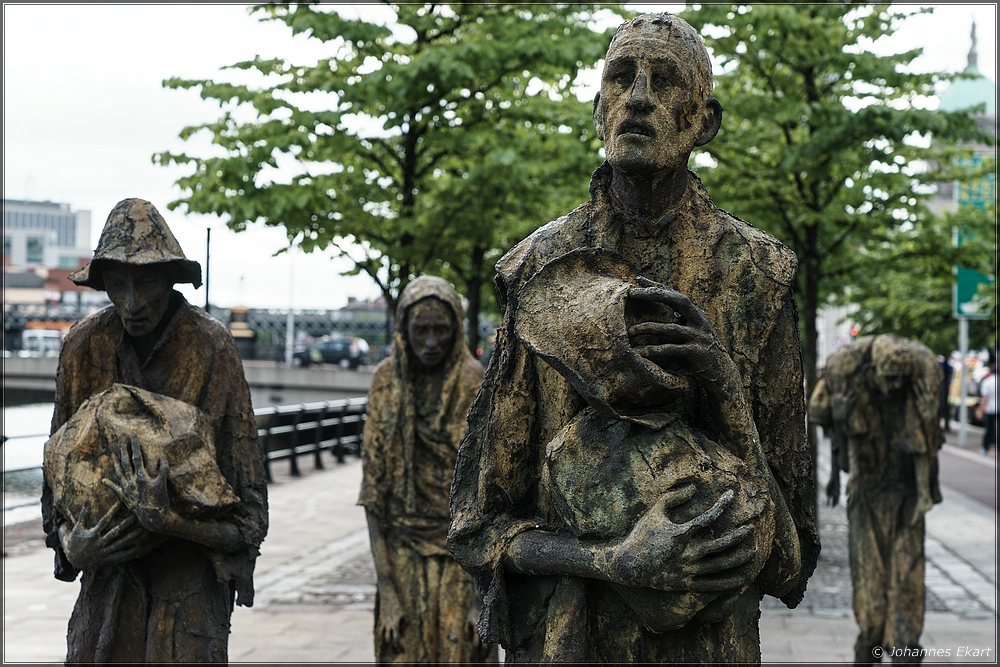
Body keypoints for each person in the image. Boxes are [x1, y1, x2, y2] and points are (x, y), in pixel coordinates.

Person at [448, 12, 819, 663]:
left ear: (704, 120)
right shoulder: (535, 269)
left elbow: (790, 563)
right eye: (622, 77)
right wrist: (615, 561)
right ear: (599, 112)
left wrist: (723, 388)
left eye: (665, 79)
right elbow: (479, 527)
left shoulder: (761, 277)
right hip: (568, 640)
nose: (640, 96)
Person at [40, 198, 269, 663]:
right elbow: (56, 473)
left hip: (187, 593)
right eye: (117, 285)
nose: (131, 303)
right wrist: (71, 544)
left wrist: (173, 522)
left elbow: (248, 513)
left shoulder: (211, 348)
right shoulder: (83, 347)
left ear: (168, 276)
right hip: (106, 590)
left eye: (144, 283)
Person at [357, 276, 496, 664]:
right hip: (402, 555)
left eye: (440, 329)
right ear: (404, 330)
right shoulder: (386, 382)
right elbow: (373, 496)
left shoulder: (476, 384)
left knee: (462, 653)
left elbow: (491, 500)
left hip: (462, 558)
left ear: (455, 329)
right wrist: (386, 590)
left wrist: (481, 598)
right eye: (421, 330)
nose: (431, 342)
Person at [809, 334, 942, 664]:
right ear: (871, 370)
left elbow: (929, 438)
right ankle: (869, 642)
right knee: (870, 582)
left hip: (907, 494)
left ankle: (903, 647)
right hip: (867, 492)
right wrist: (839, 414)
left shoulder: (920, 378)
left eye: (901, 379)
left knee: (908, 575)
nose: (895, 386)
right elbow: (817, 410)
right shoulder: (847, 375)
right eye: (889, 378)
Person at [979, 355, 996, 455]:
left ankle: (985, 448)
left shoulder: (987, 382)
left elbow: (984, 397)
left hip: (990, 409)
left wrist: (981, 409)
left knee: (989, 430)